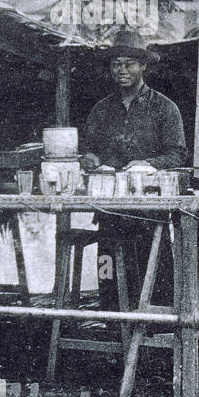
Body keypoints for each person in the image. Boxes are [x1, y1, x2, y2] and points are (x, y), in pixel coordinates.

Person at [79, 28, 186, 310]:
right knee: (110, 280)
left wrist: (148, 164)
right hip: (110, 212)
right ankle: (114, 339)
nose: (122, 70)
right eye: (116, 64)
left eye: (129, 64)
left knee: (155, 287)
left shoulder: (164, 108)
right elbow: (89, 151)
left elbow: (177, 154)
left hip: (150, 216)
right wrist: (89, 159)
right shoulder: (101, 110)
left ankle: (155, 344)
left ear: (144, 66)